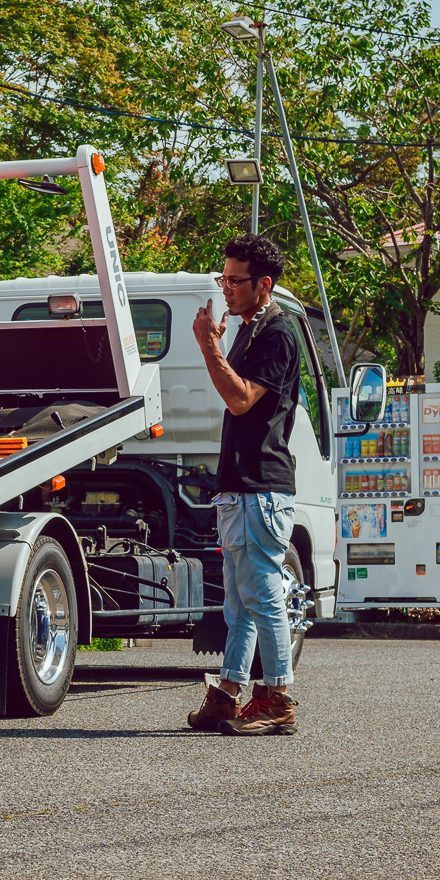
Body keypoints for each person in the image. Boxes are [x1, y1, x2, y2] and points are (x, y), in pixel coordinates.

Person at [187, 232, 300, 736]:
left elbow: (240, 399)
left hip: (262, 484)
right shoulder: (250, 329)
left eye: (235, 280)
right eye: (223, 278)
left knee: (264, 595)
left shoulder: (279, 332)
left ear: (264, 284)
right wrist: (219, 345)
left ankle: (276, 695)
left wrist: (210, 347)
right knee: (240, 600)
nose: (226, 288)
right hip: (240, 486)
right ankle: (229, 690)